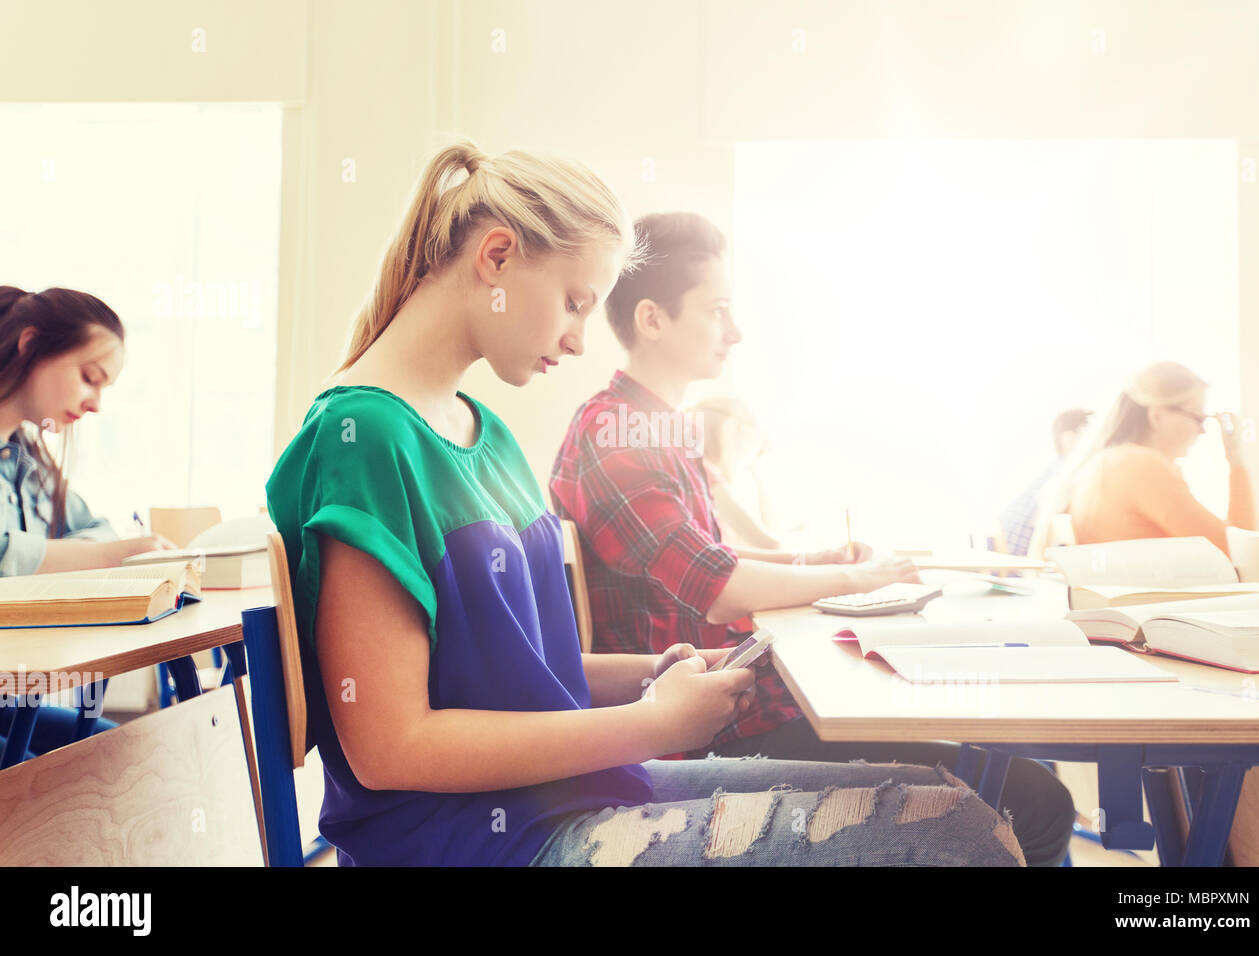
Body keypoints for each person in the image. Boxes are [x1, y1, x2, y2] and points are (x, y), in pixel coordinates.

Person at [264, 142, 1022, 867]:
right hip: (480, 844)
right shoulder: (362, 440)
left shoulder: (483, 432)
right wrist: (648, 724)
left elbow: (530, 672)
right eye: (573, 302)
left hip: (553, 803)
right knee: (961, 840)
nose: (578, 336)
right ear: (495, 257)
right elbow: (392, 745)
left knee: (946, 800)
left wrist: (653, 675)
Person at [550, 212, 1072, 866]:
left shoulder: (653, 429)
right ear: (653, 319)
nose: (734, 334)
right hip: (711, 731)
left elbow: (709, 557)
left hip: (737, 700)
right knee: (1034, 800)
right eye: (717, 312)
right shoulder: (618, 436)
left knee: (1006, 758)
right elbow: (718, 589)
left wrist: (811, 560)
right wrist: (858, 579)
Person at [0, 286, 174, 760]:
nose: (96, 403)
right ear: (31, 343)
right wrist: (98, 556)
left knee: (116, 750)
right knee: (41, 781)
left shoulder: (27, 462)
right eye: (89, 377)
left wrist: (78, 552)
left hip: (8, 692)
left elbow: (96, 527)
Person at [1033, 361, 1255, 557]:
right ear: (1157, 415)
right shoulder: (1141, 466)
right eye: (1198, 418)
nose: (1202, 431)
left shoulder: (1100, 464)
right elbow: (1242, 553)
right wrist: (1236, 461)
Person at [687, 396, 785, 550]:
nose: (754, 451)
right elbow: (769, 543)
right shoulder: (706, 474)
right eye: (754, 440)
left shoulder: (705, 471)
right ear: (736, 430)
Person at [999, 408, 1091, 556]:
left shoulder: (1052, 471)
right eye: (1088, 433)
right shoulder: (1067, 475)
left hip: (1005, 554)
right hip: (1018, 563)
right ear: (1068, 439)